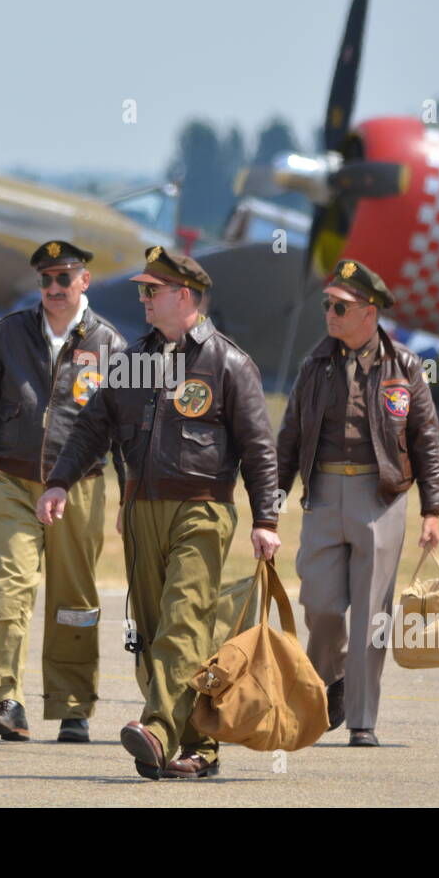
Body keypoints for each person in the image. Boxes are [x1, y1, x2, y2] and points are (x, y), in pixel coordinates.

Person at [37, 246, 281, 780]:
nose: (142, 298)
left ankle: (157, 729)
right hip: (142, 511)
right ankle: (194, 749)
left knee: (183, 619)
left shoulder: (229, 363)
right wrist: (59, 482)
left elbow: (260, 449)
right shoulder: (129, 363)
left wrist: (267, 519)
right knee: (153, 632)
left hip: (203, 509)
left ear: (185, 297)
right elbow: (90, 430)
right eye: (141, 290)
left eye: (152, 290)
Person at [0, 240, 126, 743]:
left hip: (80, 488)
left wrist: (130, 494)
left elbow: (126, 426)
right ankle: (7, 700)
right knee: (12, 586)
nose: (53, 289)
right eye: (45, 281)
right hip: (14, 480)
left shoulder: (110, 344)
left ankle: (73, 707)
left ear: (84, 282)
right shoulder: (9, 333)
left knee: (74, 599)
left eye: (63, 279)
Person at [275, 258, 439, 747]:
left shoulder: (404, 366)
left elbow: (426, 438)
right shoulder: (314, 365)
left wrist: (432, 509)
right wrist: (271, 506)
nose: (330, 313)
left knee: (373, 611)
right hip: (324, 494)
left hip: (381, 497)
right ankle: (339, 677)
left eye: (341, 307)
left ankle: (362, 720)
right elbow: (289, 437)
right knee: (321, 605)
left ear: (370, 313)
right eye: (327, 304)